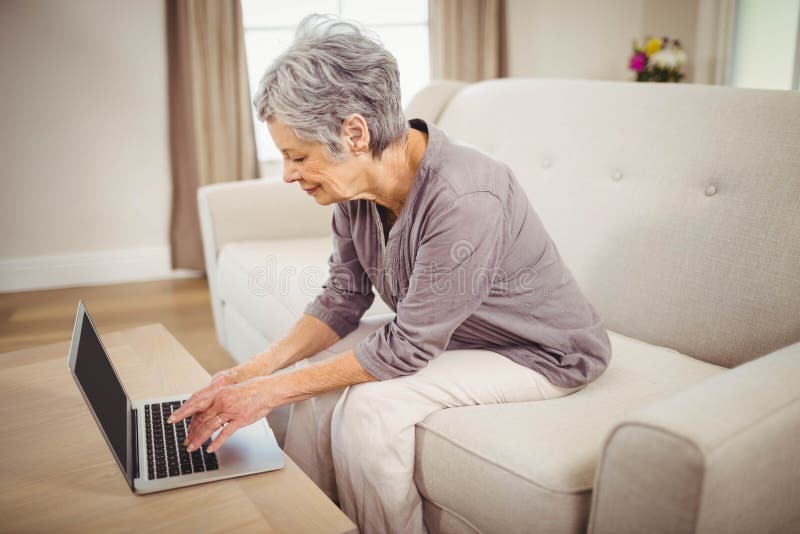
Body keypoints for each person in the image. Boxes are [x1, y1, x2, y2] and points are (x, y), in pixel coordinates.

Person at [169, 13, 612, 534]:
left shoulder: (466, 197)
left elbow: (408, 347)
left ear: (354, 133)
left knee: (371, 411)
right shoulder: (353, 191)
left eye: (296, 155)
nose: (288, 173)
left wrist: (270, 392)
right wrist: (252, 372)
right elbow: (341, 299)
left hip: (539, 351)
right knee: (313, 396)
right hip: (456, 333)